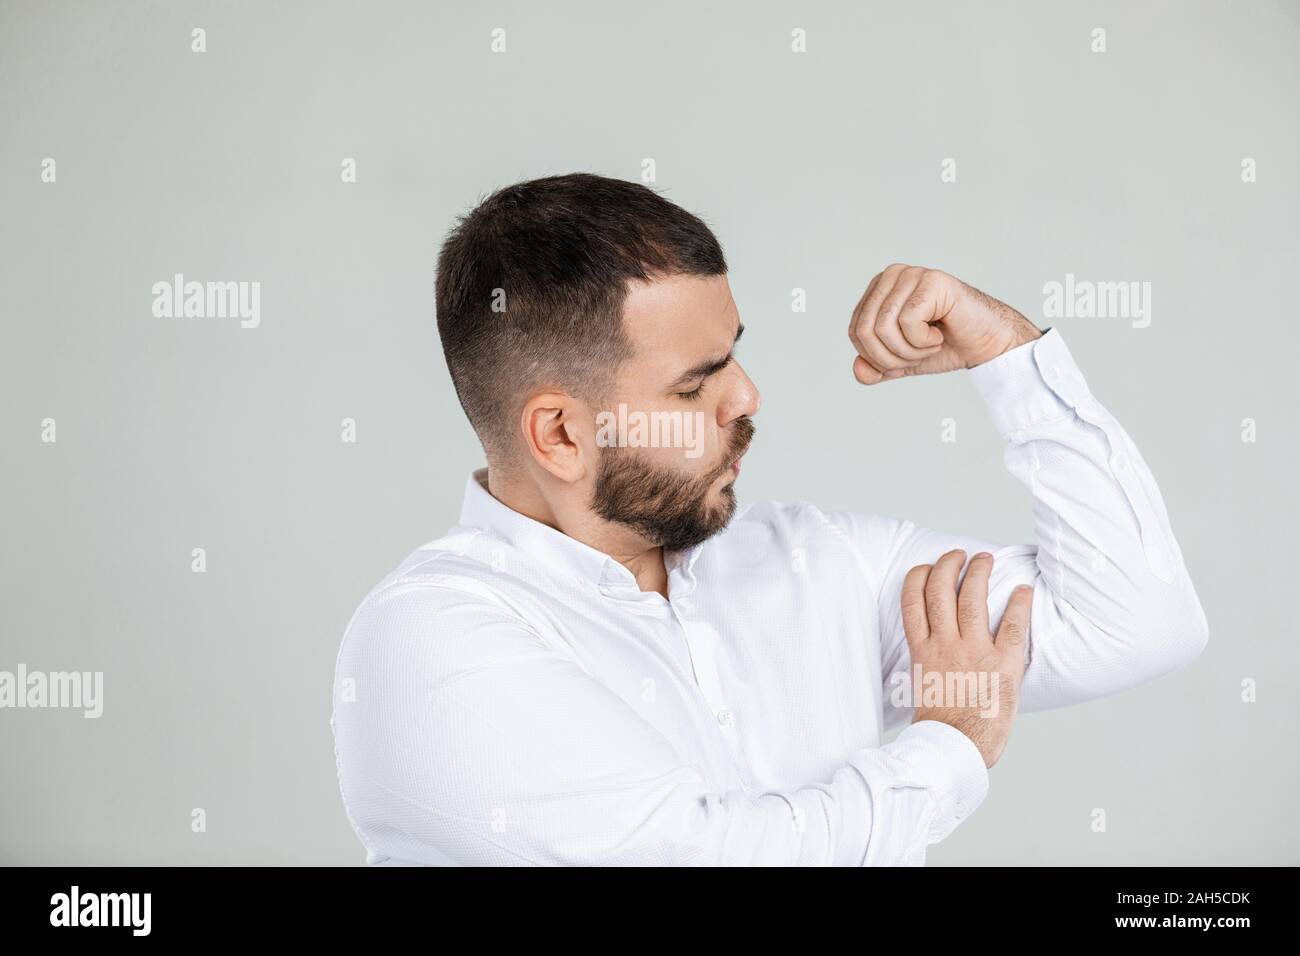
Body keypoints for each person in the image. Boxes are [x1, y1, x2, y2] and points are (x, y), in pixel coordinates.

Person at [330, 173, 1208, 866]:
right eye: (694, 382)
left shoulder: (818, 561)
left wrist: (1010, 356)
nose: (748, 396)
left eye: (736, 351)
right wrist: (947, 748)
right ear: (560, 433)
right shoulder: (430, 641)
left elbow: (1137, 623)